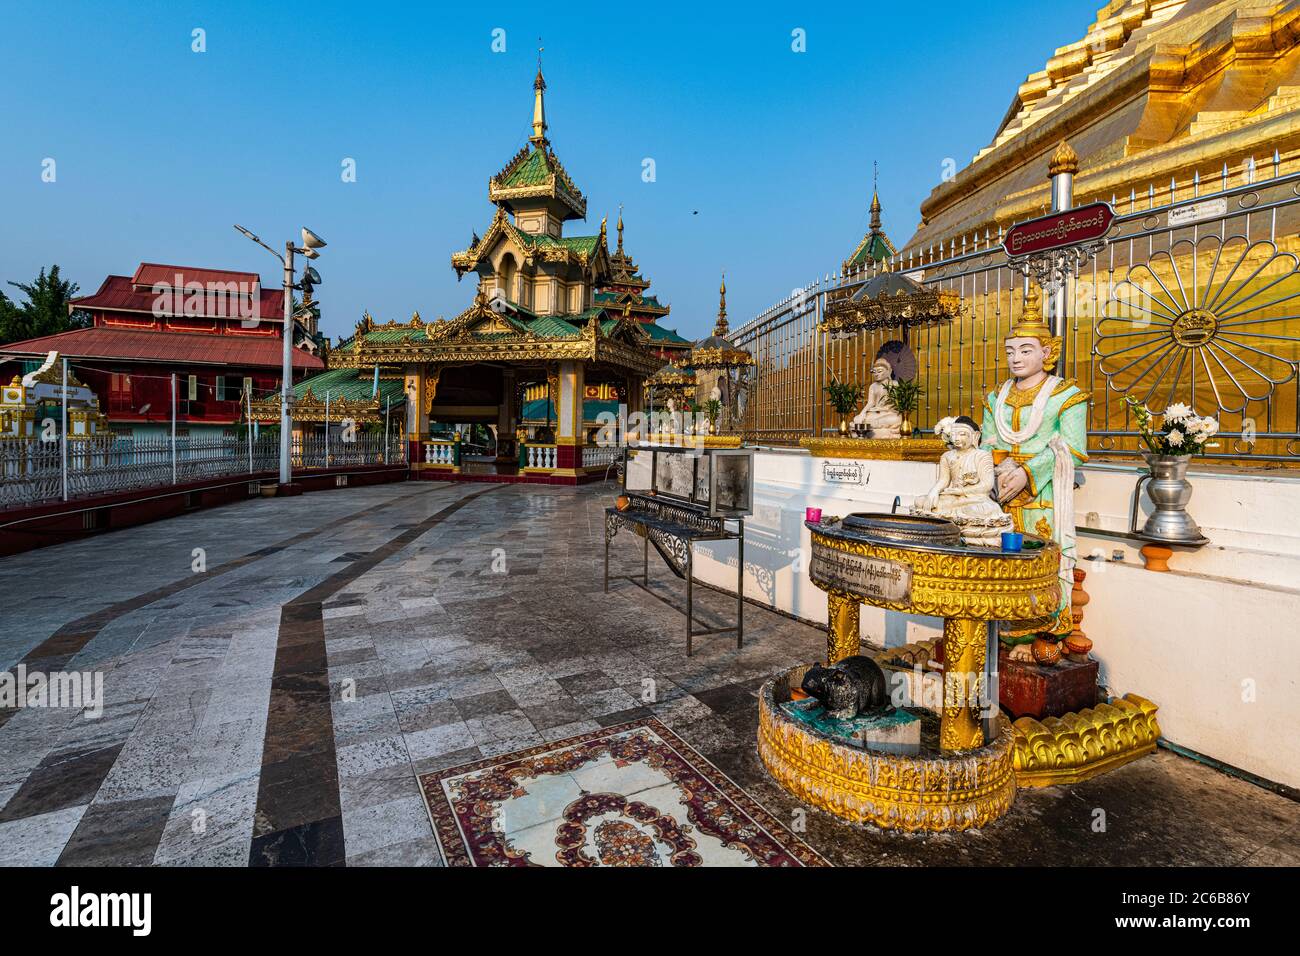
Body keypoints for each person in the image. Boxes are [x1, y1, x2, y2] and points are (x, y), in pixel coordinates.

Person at [980, 289, 1089, 662]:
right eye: (1011, 351)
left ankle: (1042, 634)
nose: (1016, 358)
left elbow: (1073, 448)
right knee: (1000, 565)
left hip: (1042, 498)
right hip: (1000, 496)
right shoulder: (996, 396)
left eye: (1026, 350)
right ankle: (1003, 634)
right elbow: (986, 441)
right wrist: (997, 470)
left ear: (1047, 352)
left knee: (1038, 563)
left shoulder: (1066, 395)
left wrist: (1027, 472)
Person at [913, 416, 1013, 547]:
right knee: (920, 501)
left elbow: (987, 485)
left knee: (975, 510)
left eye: (962, 434)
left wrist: (962, 491)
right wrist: (934, 492)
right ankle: (955, 530)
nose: (956, 438)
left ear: (975, 436)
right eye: (953, 434)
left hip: (976, 499)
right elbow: (943, 480)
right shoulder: (947, 456)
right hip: (953, 498)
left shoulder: (982, 456)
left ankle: (959, 534)